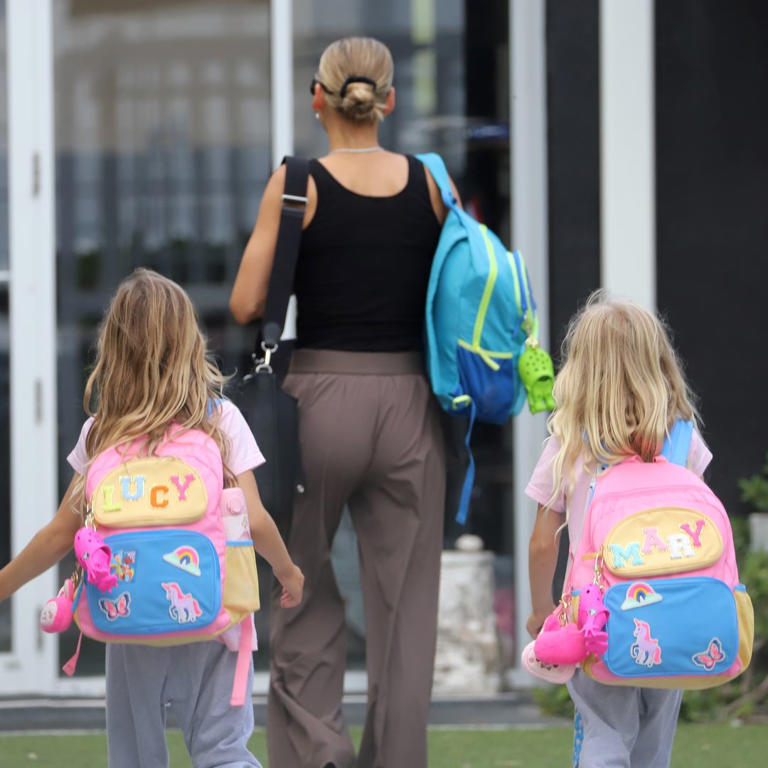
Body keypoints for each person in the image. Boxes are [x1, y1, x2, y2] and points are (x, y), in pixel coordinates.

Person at [230, 36, 458, 768]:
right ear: (388, 101)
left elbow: (244, 304)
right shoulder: (431, 182)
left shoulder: (298, 182)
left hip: (319, 403)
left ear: (317, 100)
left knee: (299, 587)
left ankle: (316, 755)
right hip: (413, 402)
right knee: (405, 609)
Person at [0, 269, 304, 768]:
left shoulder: (104, 430)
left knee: (135, 751)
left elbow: (61, 532)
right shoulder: (218, 417)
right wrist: (288, 572)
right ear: (189, 339)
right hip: (217, 610)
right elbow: (254, 518)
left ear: (114, 348)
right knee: (224, 749)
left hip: (129, 610)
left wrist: (4, 585)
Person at [525, 291, 712, 768]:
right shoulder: (683, 440)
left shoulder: (570, 443)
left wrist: (542, 611)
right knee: (654, 742)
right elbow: (704, 529)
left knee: (604, 732)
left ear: (582, 368)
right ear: (658, 363)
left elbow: (544, 541)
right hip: (672, 616)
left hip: (596, 620)